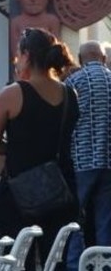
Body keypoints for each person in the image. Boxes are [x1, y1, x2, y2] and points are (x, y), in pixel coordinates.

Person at [0, 27, 79, 271]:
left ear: (26, 55)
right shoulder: (70, 94)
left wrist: (10, 148)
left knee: (18, 259)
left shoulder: (13, 93)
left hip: (19, 190)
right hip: (59, 188)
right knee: (54, 259)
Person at [66, 40, 111, 258]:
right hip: (109, 161)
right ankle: (105, 262)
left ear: (81, 59)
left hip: (81, 160)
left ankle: (76, 263)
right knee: (106, 219)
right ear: (104, 59)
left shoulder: (74, 81)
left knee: (76, 218)